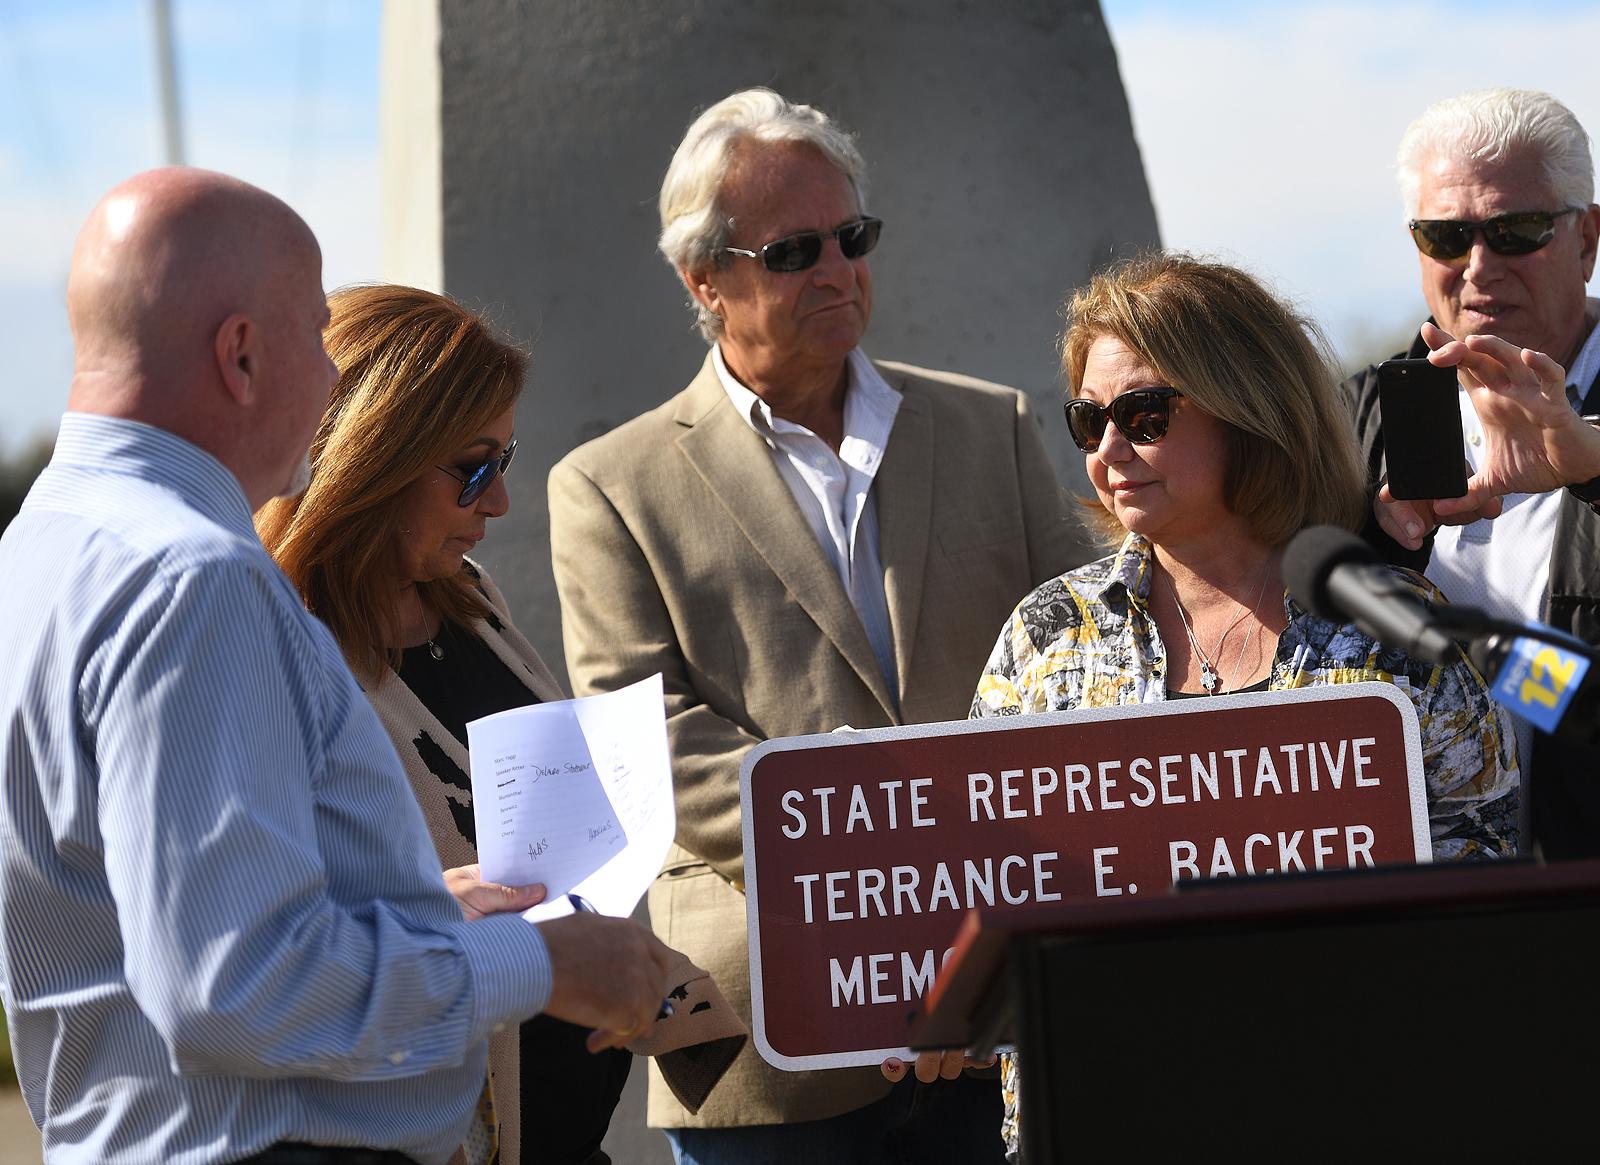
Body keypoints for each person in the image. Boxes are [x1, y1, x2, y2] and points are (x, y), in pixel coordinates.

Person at [0, 168, 674, 1165]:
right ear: (240, 354)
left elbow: (181, 929)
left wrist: (426, 911)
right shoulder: (195, 577)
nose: (329, 381)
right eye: (315, 335)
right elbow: (235, 985)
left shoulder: (42, 544)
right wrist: (531, 960)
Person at [547, 88, 1080, 1162]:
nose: (836, 269)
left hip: (1003, 1000)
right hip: (767, 1041)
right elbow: (643, 746)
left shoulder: (993, 426)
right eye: (794, 251)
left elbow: (1078, 663)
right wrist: (867, 836)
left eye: (851, 237)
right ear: (704, 278)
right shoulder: (609, 485)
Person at [973, 253, 1520, 1162]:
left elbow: (1482, 872)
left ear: (1247, 409)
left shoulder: (1392, 627)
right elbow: (986, 879)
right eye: (1088, 420)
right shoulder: (1045, 637)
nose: (1109, 450)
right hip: (1105, 1118)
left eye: (1145, 414)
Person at [256, 284, 746, 1165]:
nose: (501, 502)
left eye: (506, 457)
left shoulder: (474, 604)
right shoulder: (281, 655)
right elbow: (265, 953)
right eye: (474, 467)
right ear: (373, 458)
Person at [1343, 88, 1600, 857]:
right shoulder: (1347, 420)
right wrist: (1384, 549)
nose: (1479, 266)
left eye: (1516, 230)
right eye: (1446, 235)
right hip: (1433, 924)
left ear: (1589, 237)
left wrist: (1588, 465)